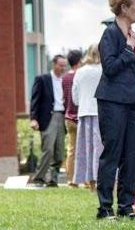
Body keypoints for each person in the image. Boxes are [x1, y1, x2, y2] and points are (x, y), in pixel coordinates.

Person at [95, 0, 135, 220]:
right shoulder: (110, 34)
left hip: (132, 101)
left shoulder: (132, 37)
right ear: (124, 7)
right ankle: (104, 208)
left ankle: (126, 207)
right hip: (112, 101)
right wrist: (128, 49)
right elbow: (111, 68)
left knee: (130, 155)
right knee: (113, 153)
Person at [29, 54, 68, 188]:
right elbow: (35, 100)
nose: (63, 68)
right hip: (48, 118)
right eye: (61, 65)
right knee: (48, 150)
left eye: (64, 66)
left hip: (62, 117)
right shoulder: (42, 79)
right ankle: (39, 178)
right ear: (54, 64)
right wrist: (33, 118)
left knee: (59, 152)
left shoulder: (65, 79)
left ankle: (53, 179)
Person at [72, 44, 103, 190]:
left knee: (86, 150)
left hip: (84, 113)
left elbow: (75, 98)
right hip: (103, 113)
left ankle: (90, 182)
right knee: (102, 149)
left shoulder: (80, 72)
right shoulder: (105, 70)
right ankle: (103, 180)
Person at [62, 49, 83, 188]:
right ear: (79, 61)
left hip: (68, 116)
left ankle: (70, 179)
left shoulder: (65, 78)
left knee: (71, 149)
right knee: (84, 149)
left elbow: (64, 98)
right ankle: (86, 179)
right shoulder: (81, 75)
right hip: (81, 116)